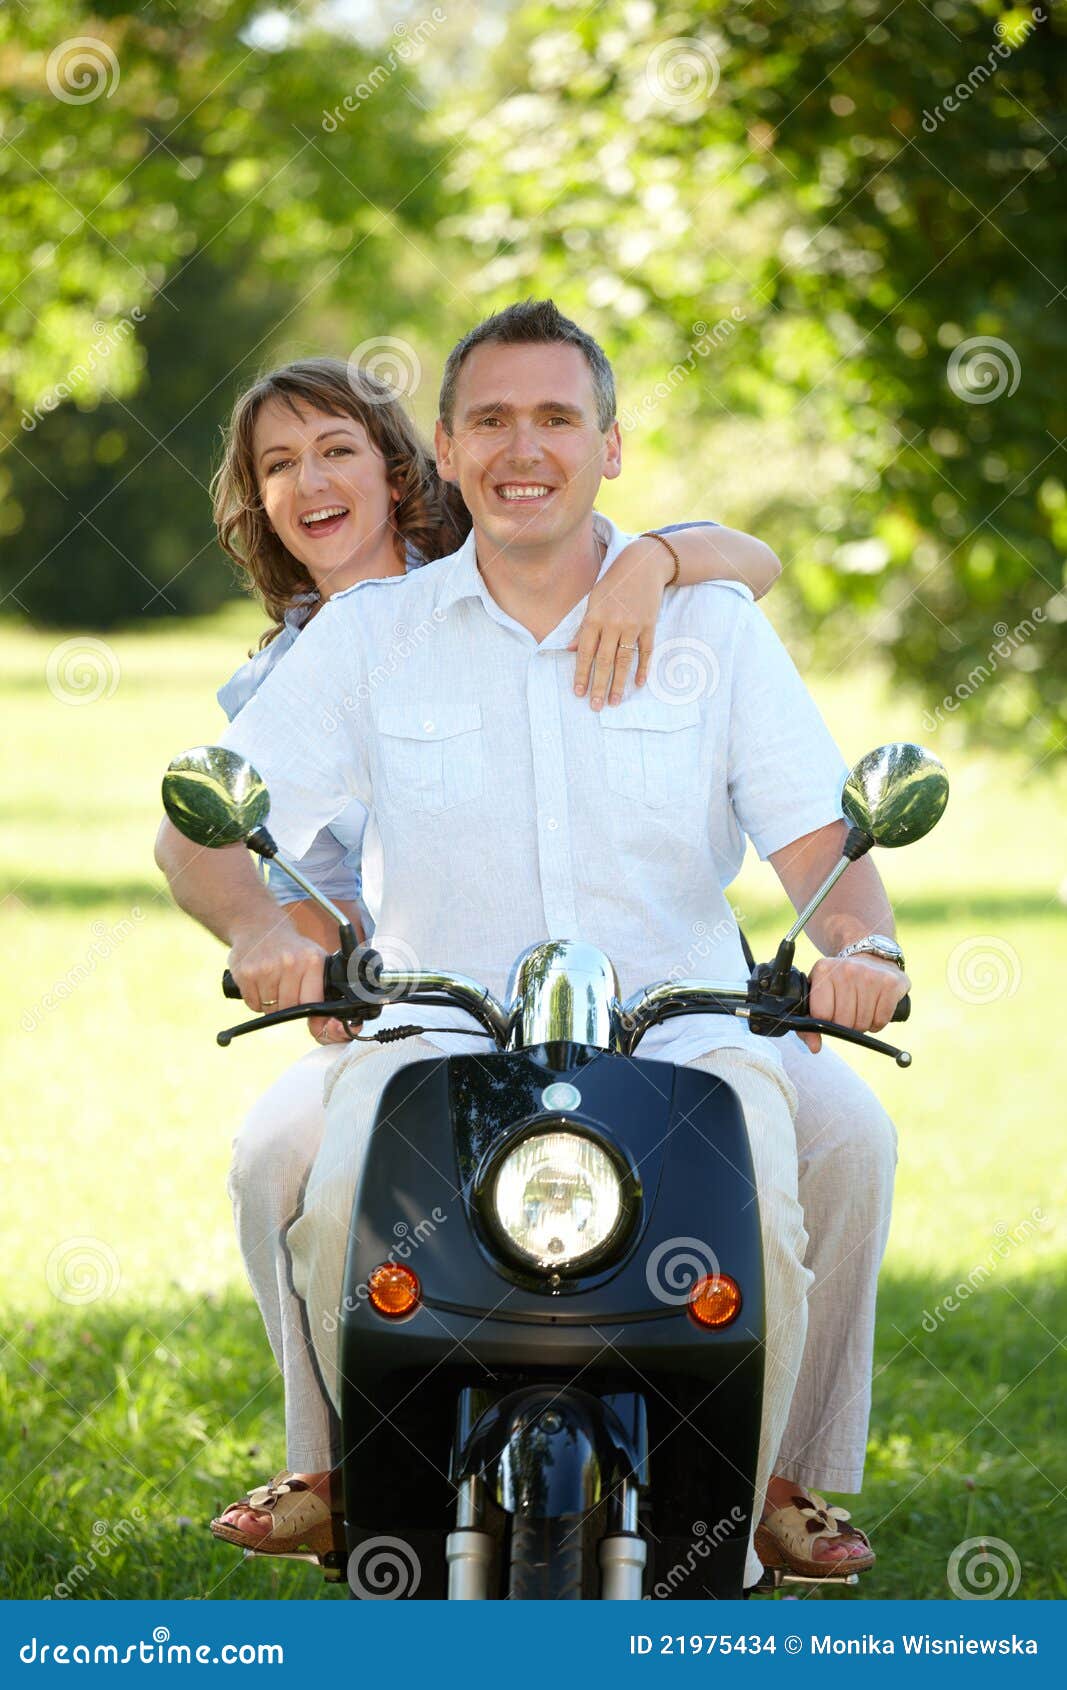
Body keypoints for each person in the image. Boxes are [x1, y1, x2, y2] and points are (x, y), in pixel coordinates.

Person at [157, 304, 904, 1588]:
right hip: (431, 1034)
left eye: (556, 417)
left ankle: (751, 1502)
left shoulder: (714, 629)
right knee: (328, 1199)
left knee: (792, 1184)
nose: (523, 447)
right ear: (445, 451)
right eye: (491, 420)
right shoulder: (369, 636)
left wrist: (862, 949)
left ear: (609, 446)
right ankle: (362, 1488)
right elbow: (199, 829)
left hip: (687, 1029)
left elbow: (819, 851)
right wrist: (263, 928)